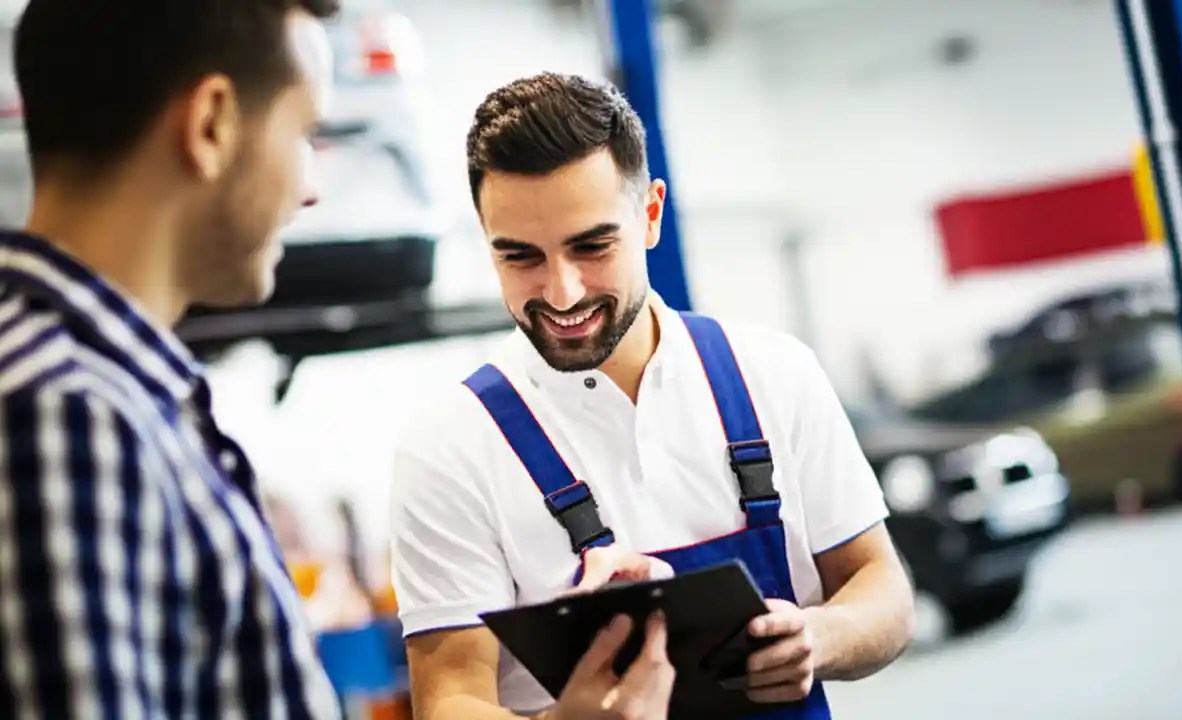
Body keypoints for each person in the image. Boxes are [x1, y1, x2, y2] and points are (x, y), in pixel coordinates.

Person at [390, 72, 916, 719]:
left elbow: (882, 590)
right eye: (521, 257)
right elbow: (449, 698)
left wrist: (818, 637)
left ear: (650, 214)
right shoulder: (448, 450)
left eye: (592, 246)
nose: (562, 293)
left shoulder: (775, 375)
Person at [0, 0, 344, 716]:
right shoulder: (68, 417)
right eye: (303, 132)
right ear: (212, 123)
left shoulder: (110, 399)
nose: (313, 189)